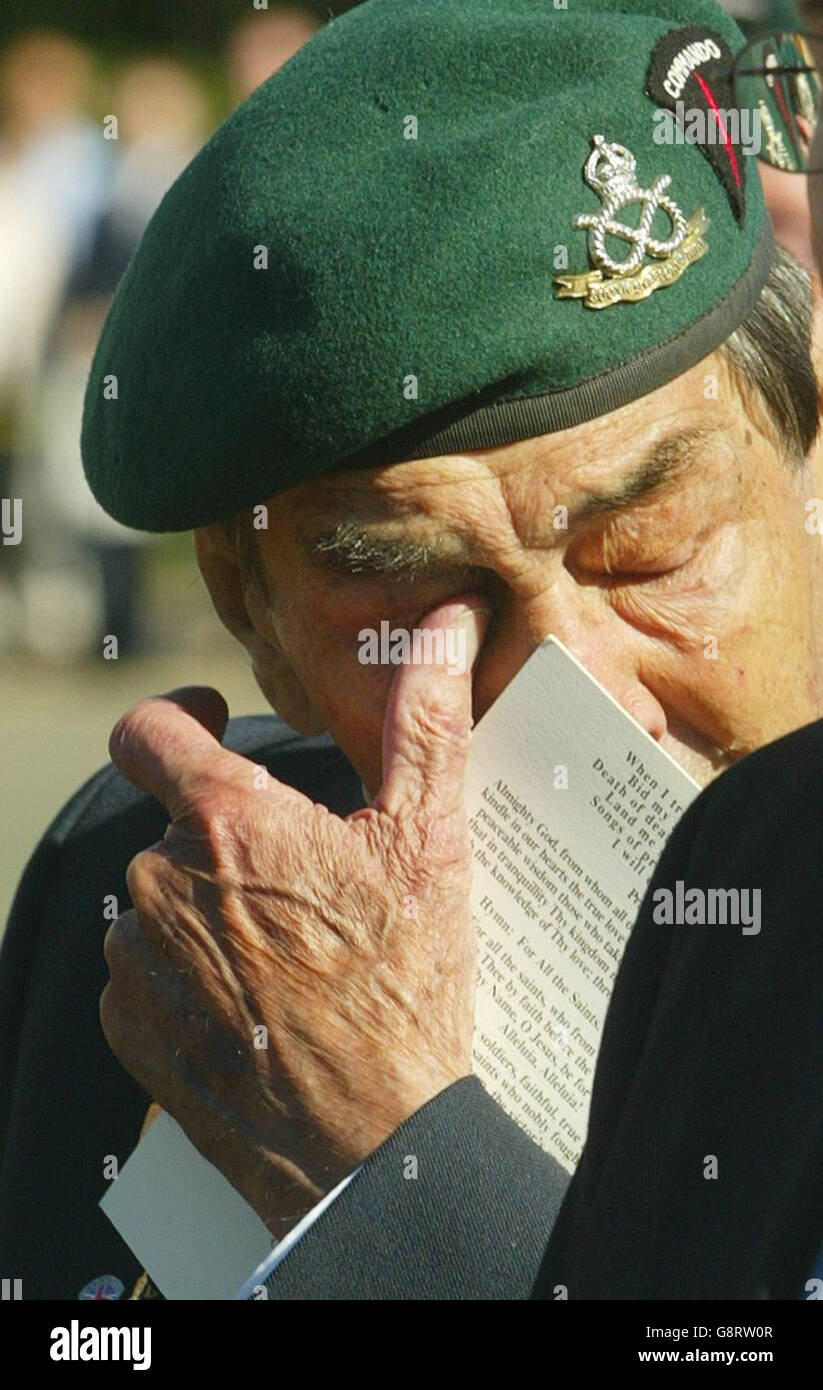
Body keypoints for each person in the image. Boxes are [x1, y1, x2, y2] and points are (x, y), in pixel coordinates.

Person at [2, 0, 822, 1299]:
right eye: (423, 607)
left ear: (808, 470)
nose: (582, 697)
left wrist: (385, 1183)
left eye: (653, 548)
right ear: (249, 613)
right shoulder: (152, 906)